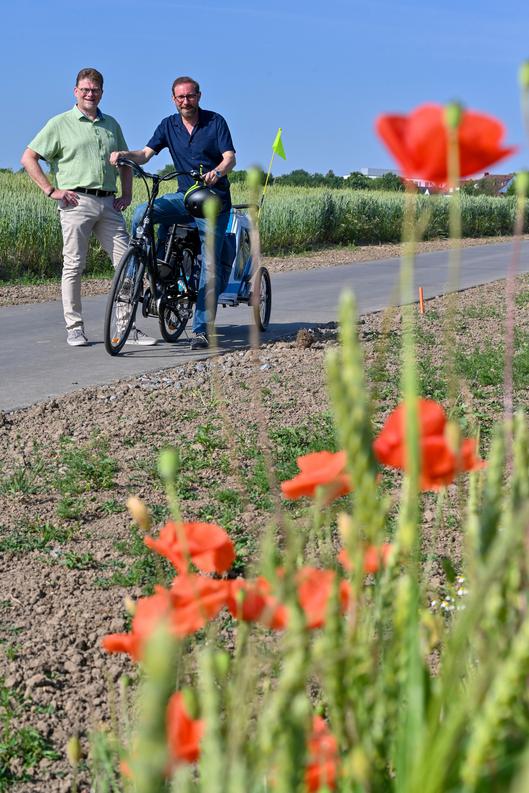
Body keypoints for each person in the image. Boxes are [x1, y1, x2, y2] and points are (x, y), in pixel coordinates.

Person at [21, 67, 156, 347]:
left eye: (94, 90)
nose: (89, 94)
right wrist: (51, 190)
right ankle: (75, 328)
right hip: (76, 202)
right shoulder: (59, 123)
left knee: (127, 263)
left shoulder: (111, 125)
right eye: (84, 89)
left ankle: (126, 327)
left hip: (108, 202)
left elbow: (126, 163)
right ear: (75, 91)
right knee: (74, 265)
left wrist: (127, 194)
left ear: (102, 93)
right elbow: (29, 157)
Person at [110, 75, 236, 350]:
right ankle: (135, 273)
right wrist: (125, 155)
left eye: (190, 96)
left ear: (199, 96)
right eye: (180, 97)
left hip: (213, 199)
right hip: (183, 196)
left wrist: (217, 172)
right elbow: (145, 154)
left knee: (211, 264)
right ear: (173, 99)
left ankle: (202, 330)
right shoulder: (169, 125)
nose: (185, 101)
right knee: (142, 213)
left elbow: (230, 157)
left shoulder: (215, 122)